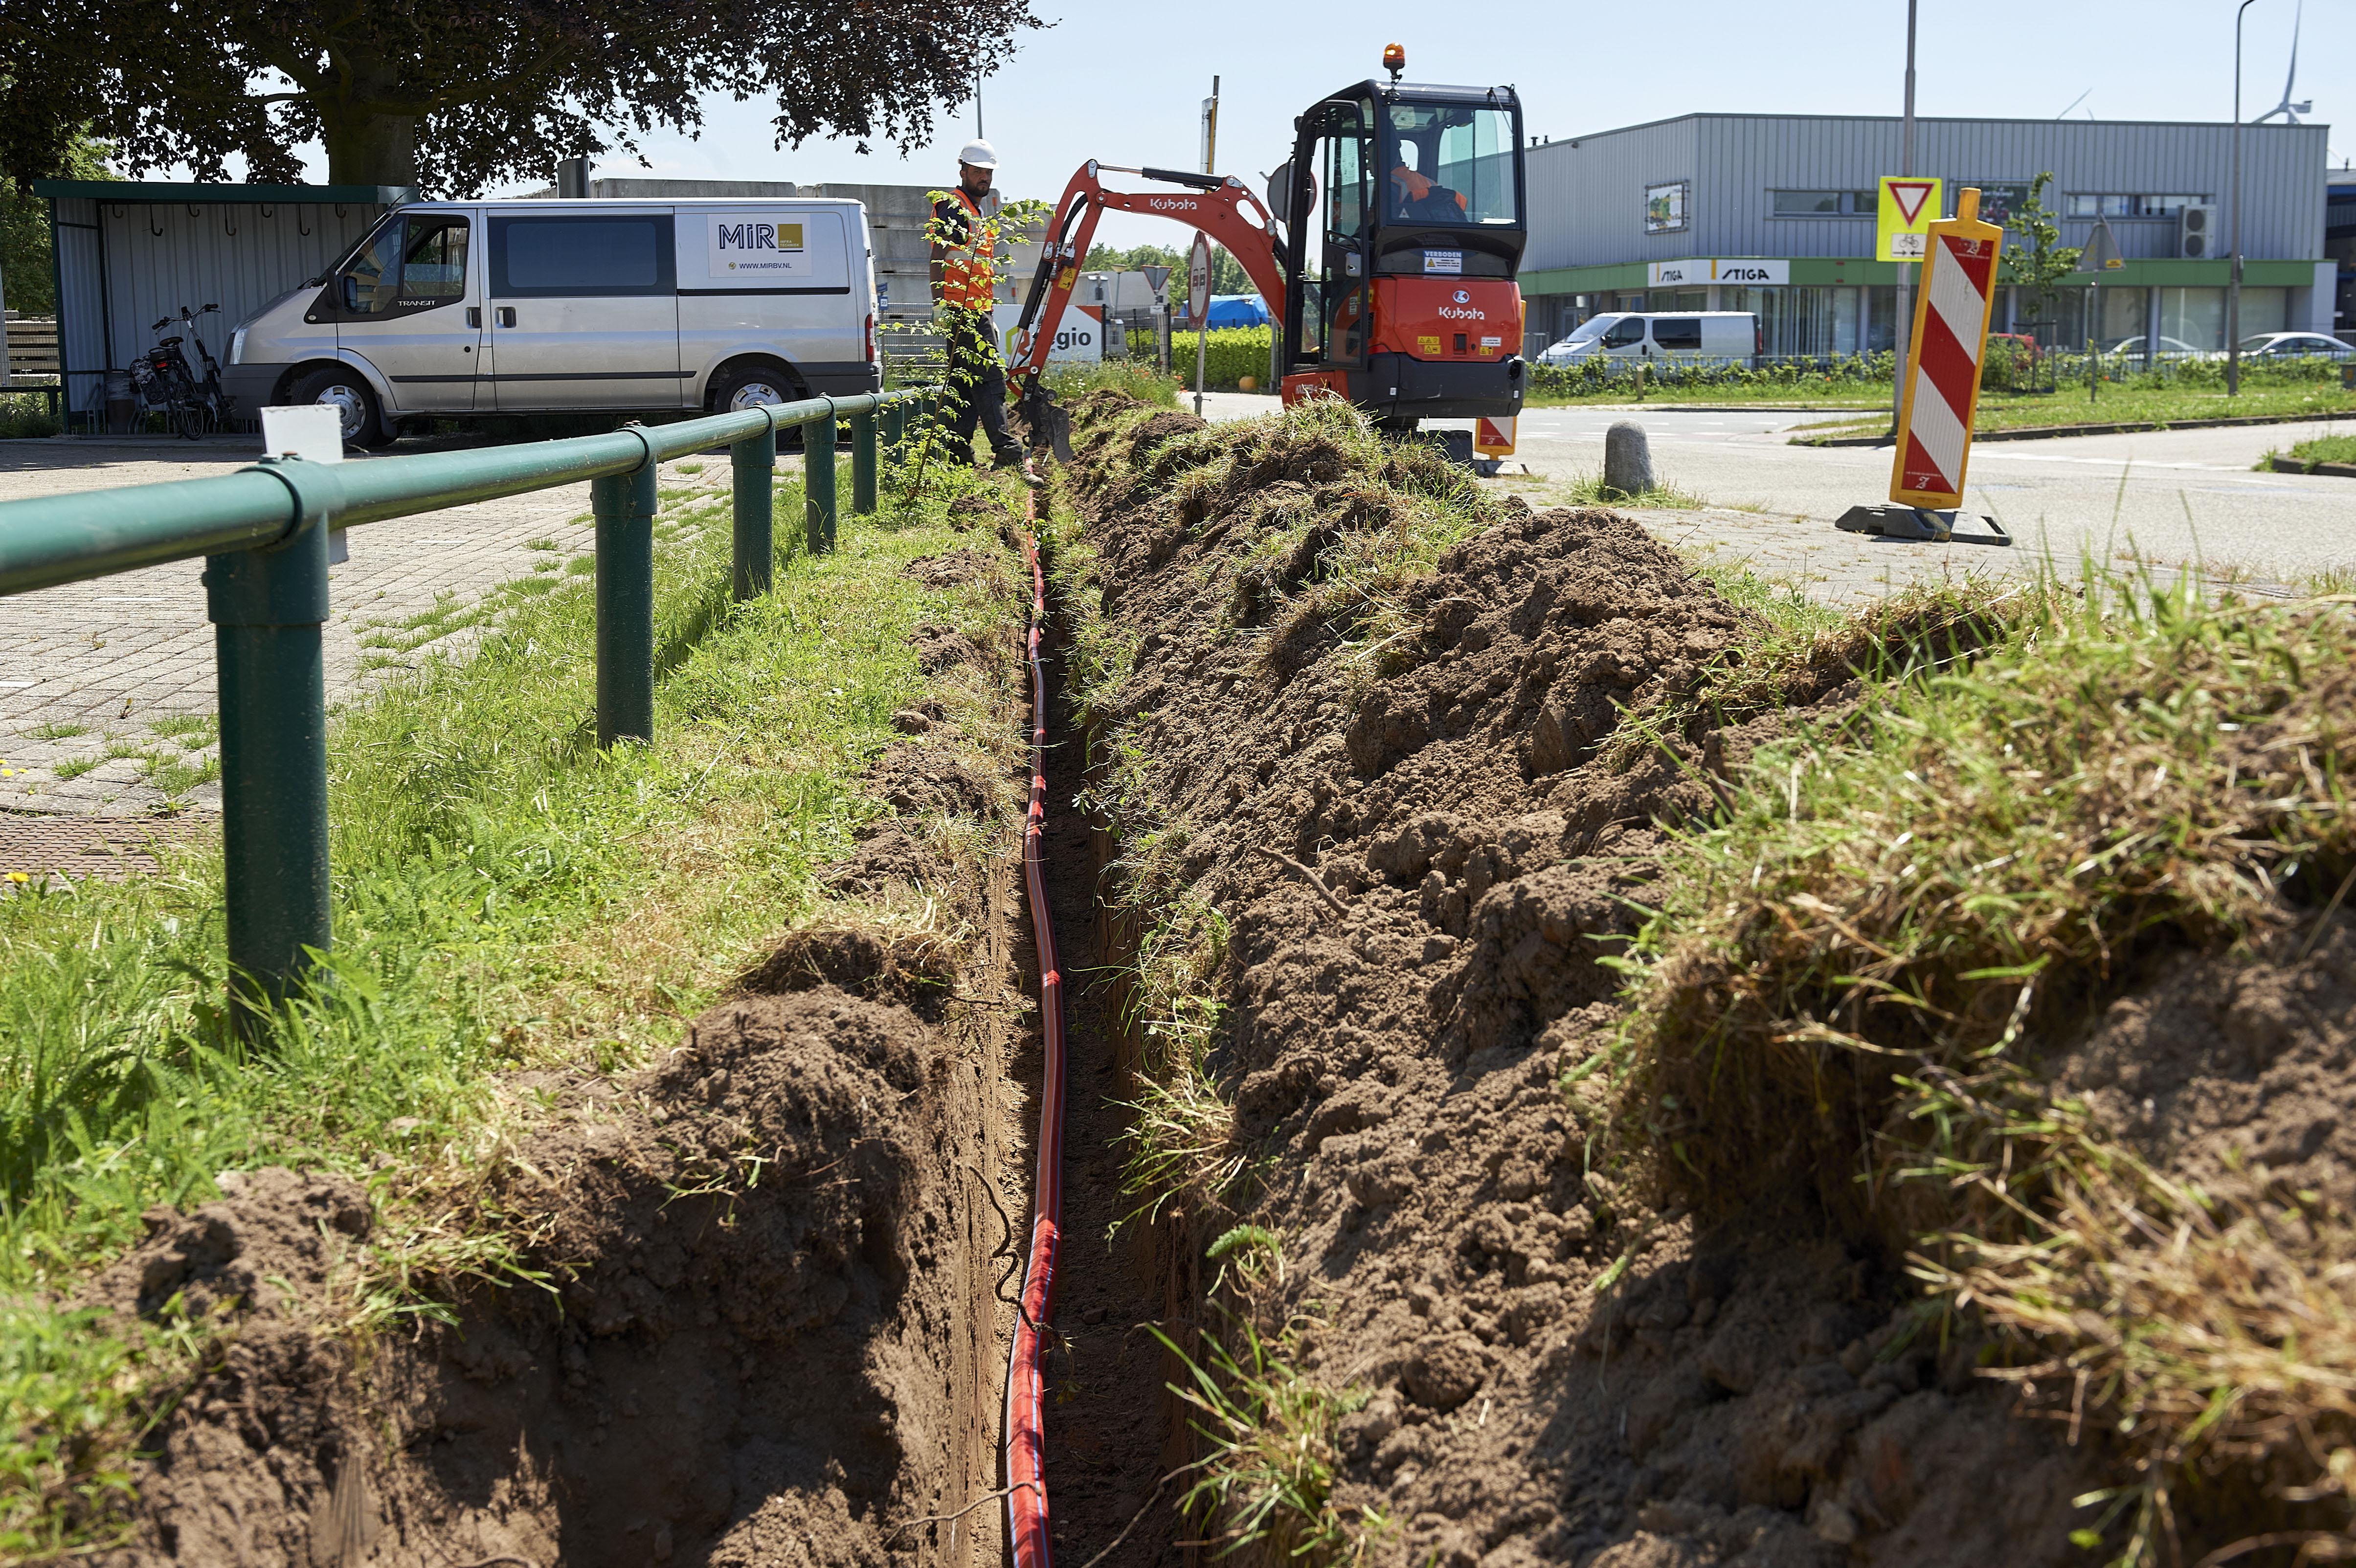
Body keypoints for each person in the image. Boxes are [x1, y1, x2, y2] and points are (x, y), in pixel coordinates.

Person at [930, 139, 1041, 486]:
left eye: (988, 172)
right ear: (962, 169)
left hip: (972, 308)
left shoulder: (974, 211)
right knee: (991, 378)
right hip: (963, 309)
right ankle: (1006, 451)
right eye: (977, 171)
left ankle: (957, 455)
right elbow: (939, 254)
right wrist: (940, 303)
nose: (983, 177)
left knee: (965, 386)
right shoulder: (953, 206)